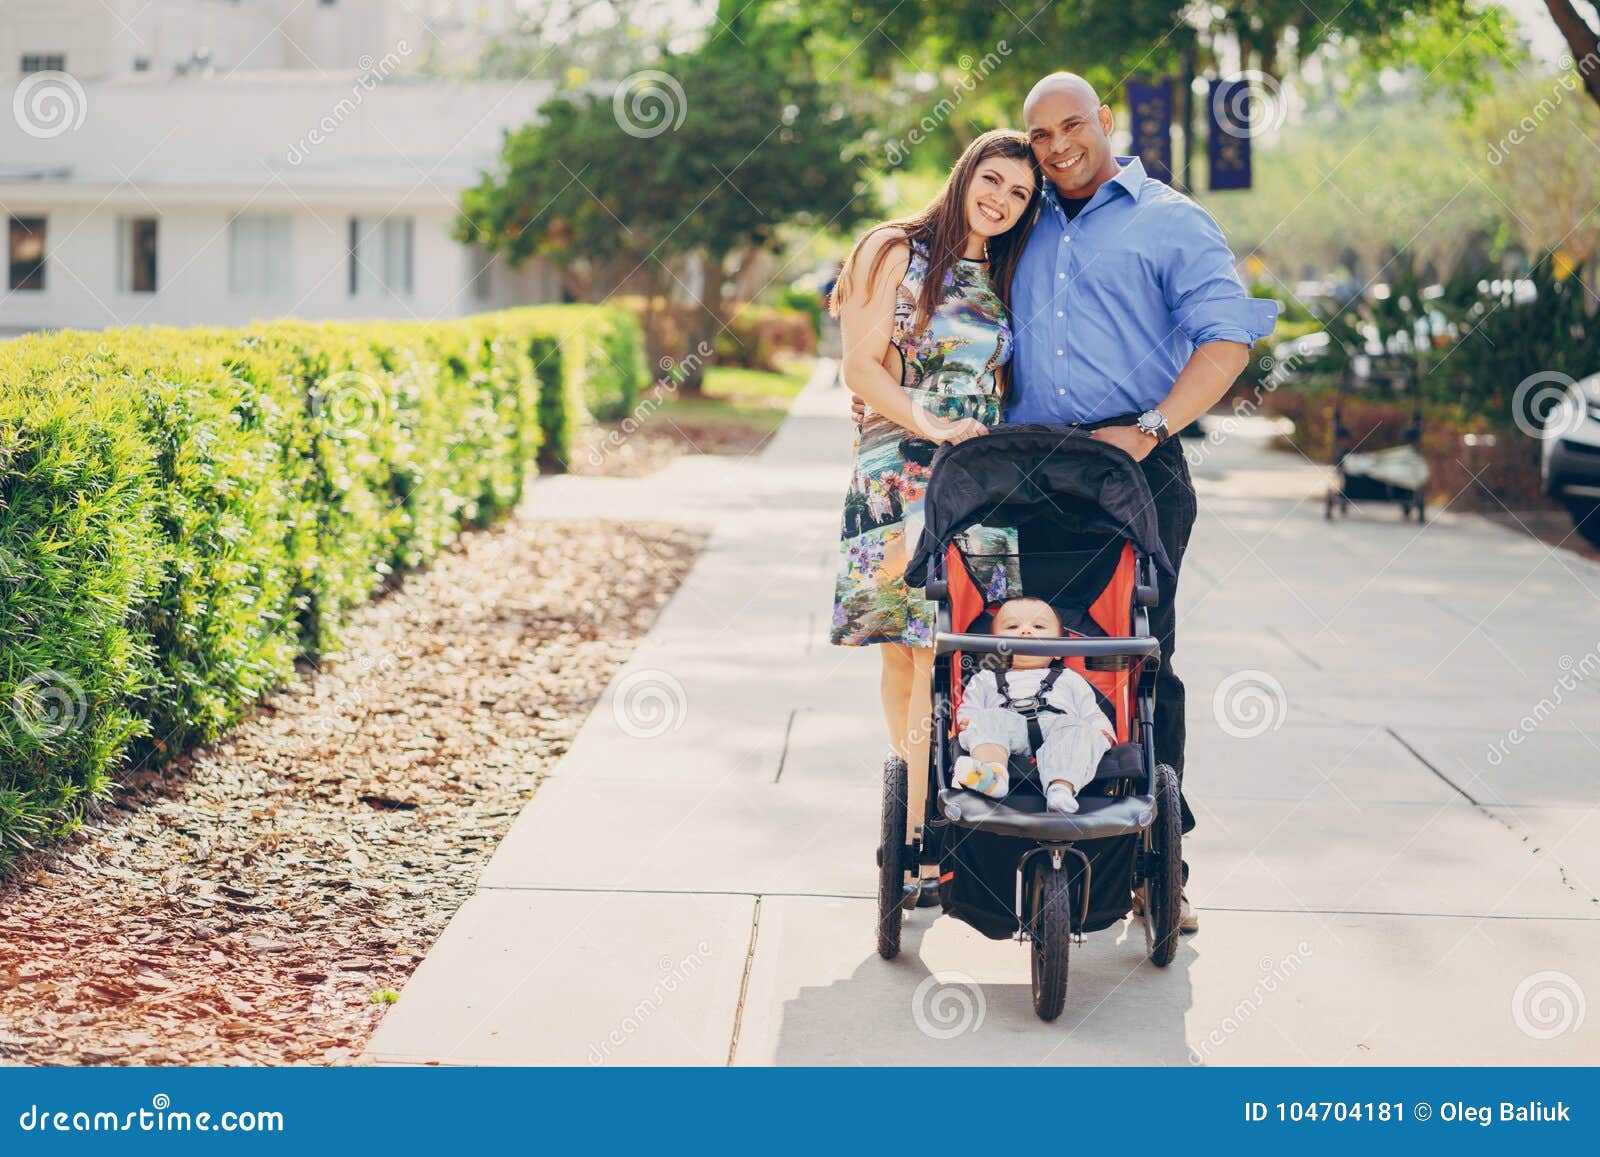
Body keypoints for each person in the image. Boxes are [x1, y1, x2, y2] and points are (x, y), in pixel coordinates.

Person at [850, 74, 1280, 932]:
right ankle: (984, 831)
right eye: (1038, 134)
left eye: (1071, 126)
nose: (1055, 147)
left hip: (1131, 465)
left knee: (1138, 650)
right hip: (1018, 471)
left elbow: (1229, 340)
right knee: (997, 643)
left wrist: (1153, 428)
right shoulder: (1025, 218)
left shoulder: (1173, 220)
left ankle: (1158, 865)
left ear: (1106, 122)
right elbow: (939, 311)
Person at [827, 130, 1042, 904]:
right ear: (964, 175)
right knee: (903, 650)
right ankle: (919, 821)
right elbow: (859, 364)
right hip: (900, 471)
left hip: (976, 478)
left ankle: (926, 823)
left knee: (948, 652)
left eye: (1019, 194)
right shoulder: (895, 248)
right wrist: (928, 421)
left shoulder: (1006, 272)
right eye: (992, 180)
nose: (1001, 200)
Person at [954, 598, 1116, 815]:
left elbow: (1090, 712)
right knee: (985, 720)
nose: (1025, 632)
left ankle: (1060, 788)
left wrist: (1101, 731)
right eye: (1013, 627)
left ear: (1059, 650)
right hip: (1005, 726)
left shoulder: (1070, 679)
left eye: (1038, 626)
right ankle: (993, 776)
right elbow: (970, 708)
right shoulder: (985, 678)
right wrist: (968, 720)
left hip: (1058, 726)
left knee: (1079, 730)